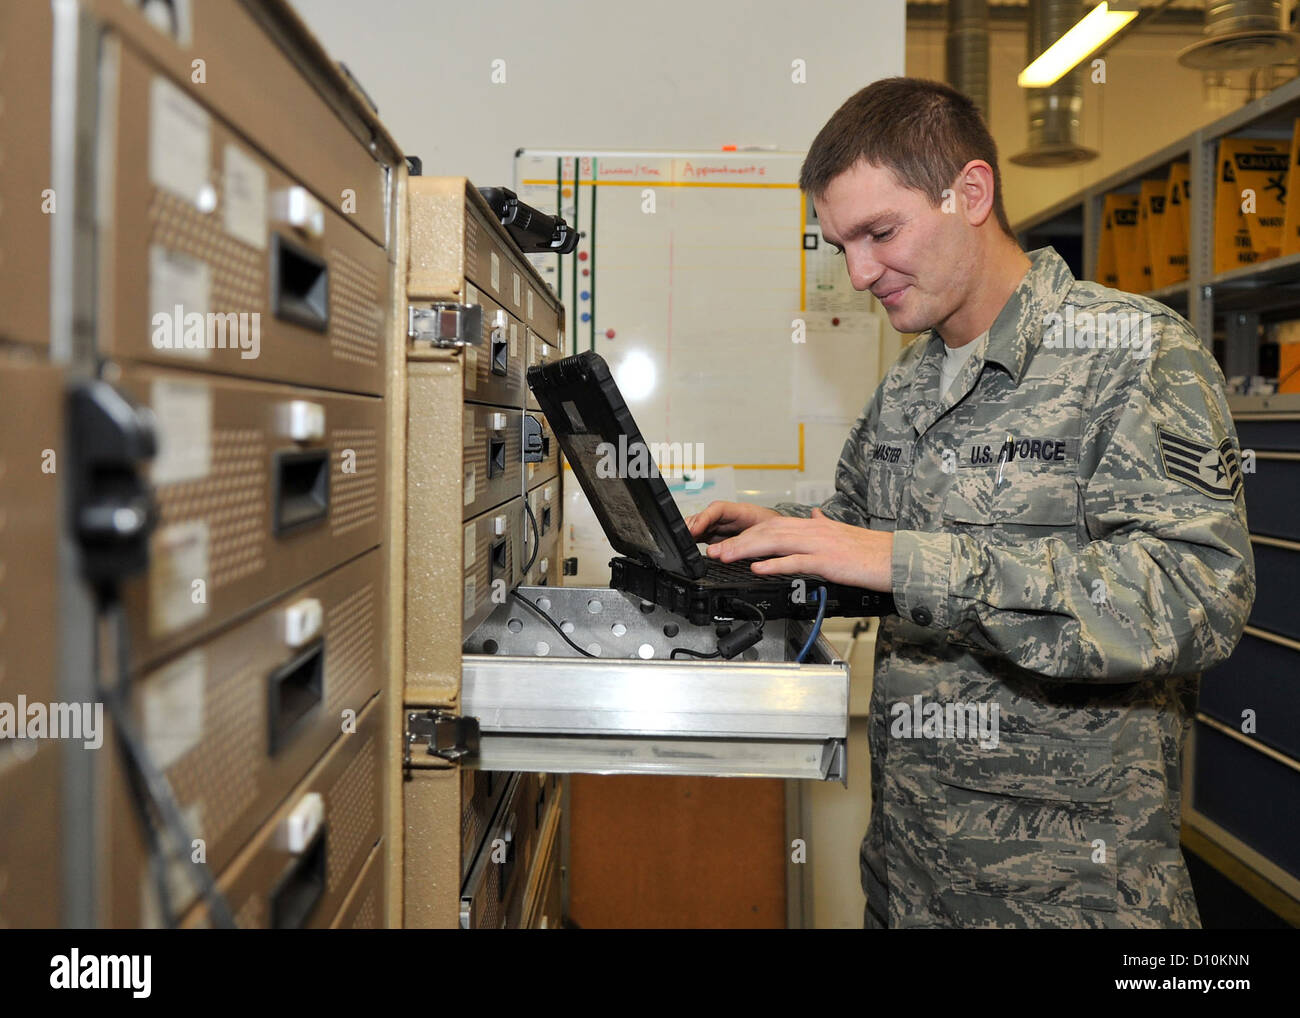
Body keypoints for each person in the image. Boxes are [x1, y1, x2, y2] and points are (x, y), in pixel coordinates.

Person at [685, 77, 1254, 929]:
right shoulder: (910, 383)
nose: (860, 272)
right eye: (839, 244)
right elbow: (857, 537)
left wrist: (907, 562)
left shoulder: (1134, 356)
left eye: (880, 232)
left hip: (1068, 895)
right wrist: (777, 533)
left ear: (972, 192)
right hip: (910, 872)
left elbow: (1198, 596)